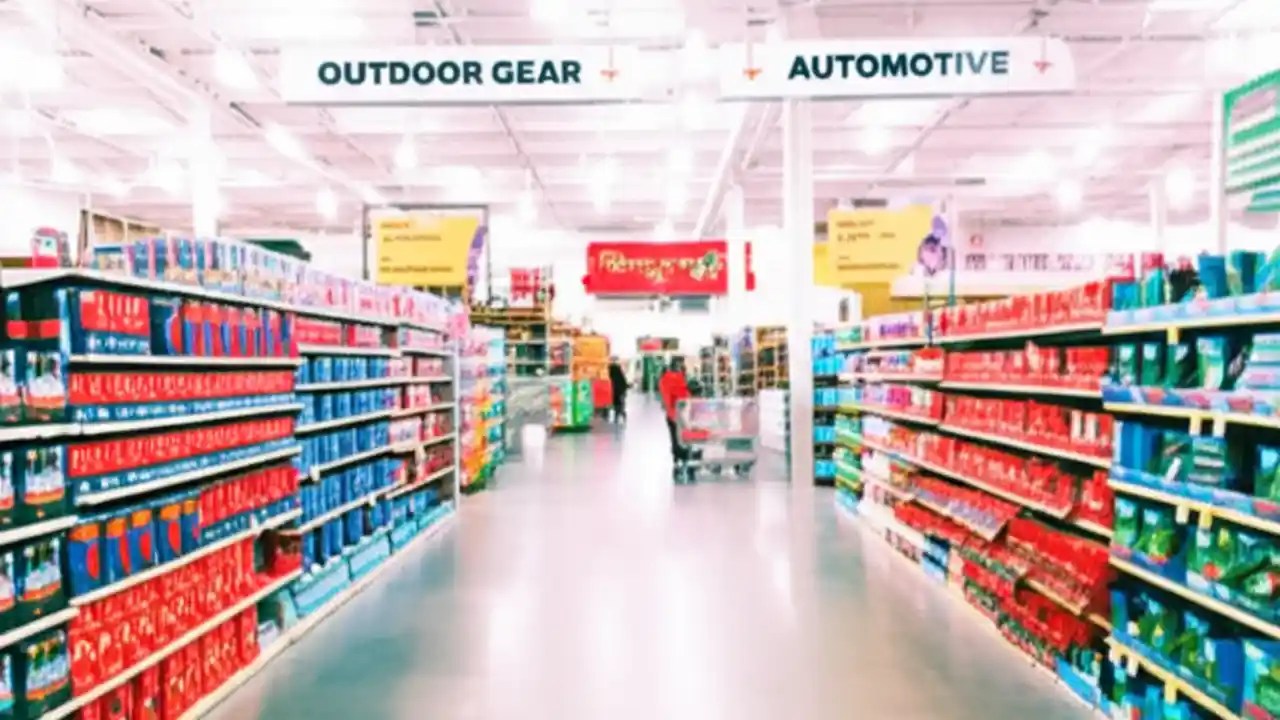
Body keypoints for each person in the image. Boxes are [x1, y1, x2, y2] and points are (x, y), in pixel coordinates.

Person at [659, 357, 692, 478]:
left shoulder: (664, 378)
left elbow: (665, 396)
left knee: (674, 437)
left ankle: (677, 458)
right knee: (683, 437)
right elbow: (684, 394)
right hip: (681, 413)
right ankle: (684, 457)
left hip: (670, 414)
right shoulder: (678, 378)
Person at [607, 357, 630, 422]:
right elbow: (623, 381)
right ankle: (621, 414)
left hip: (615, 390)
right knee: (620, 403)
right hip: (620, 390)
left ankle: (618, 415)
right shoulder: (618, 370)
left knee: (617, 403)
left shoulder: (611, 370)